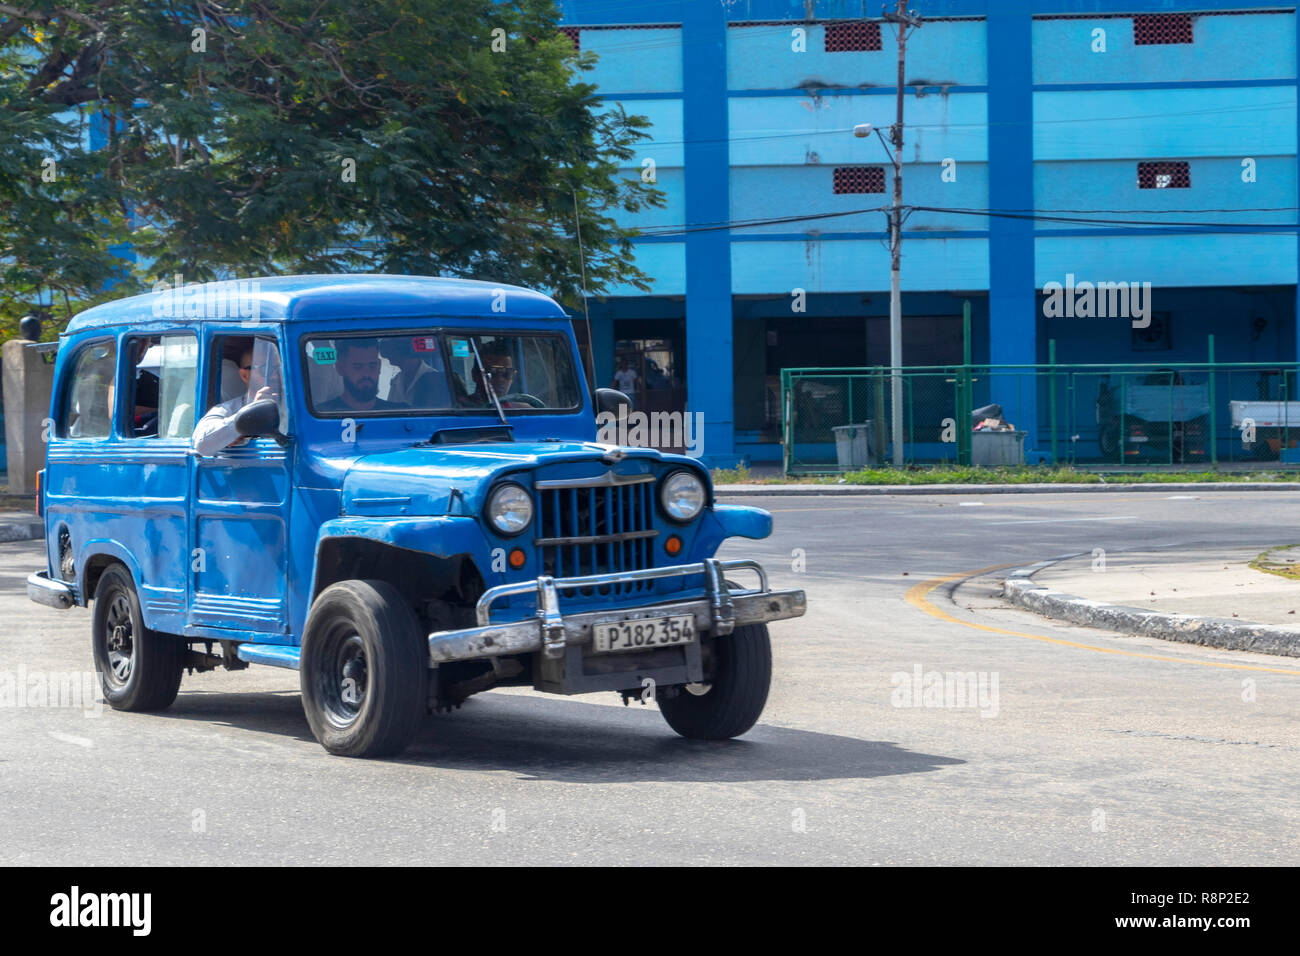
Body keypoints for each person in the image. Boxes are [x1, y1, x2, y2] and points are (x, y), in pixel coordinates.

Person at [192, 341, 284, 456]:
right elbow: (202, 444)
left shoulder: (301, 407)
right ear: (244, 375)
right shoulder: (229, 409)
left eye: (278, 369)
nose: (275, 376)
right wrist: (245, 420)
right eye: (265, 369)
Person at [317, 339, 407, 413]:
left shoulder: (401, 413)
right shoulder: (321, 413)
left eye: (372, 366)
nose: (366, 374)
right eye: (358, 367)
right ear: (340, 368)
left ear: (379, 366)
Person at [380, 337, 452, 408]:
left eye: (391, 351)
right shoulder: (396, 380)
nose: (390, 360)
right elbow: (390, 408)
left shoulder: (435, 380)